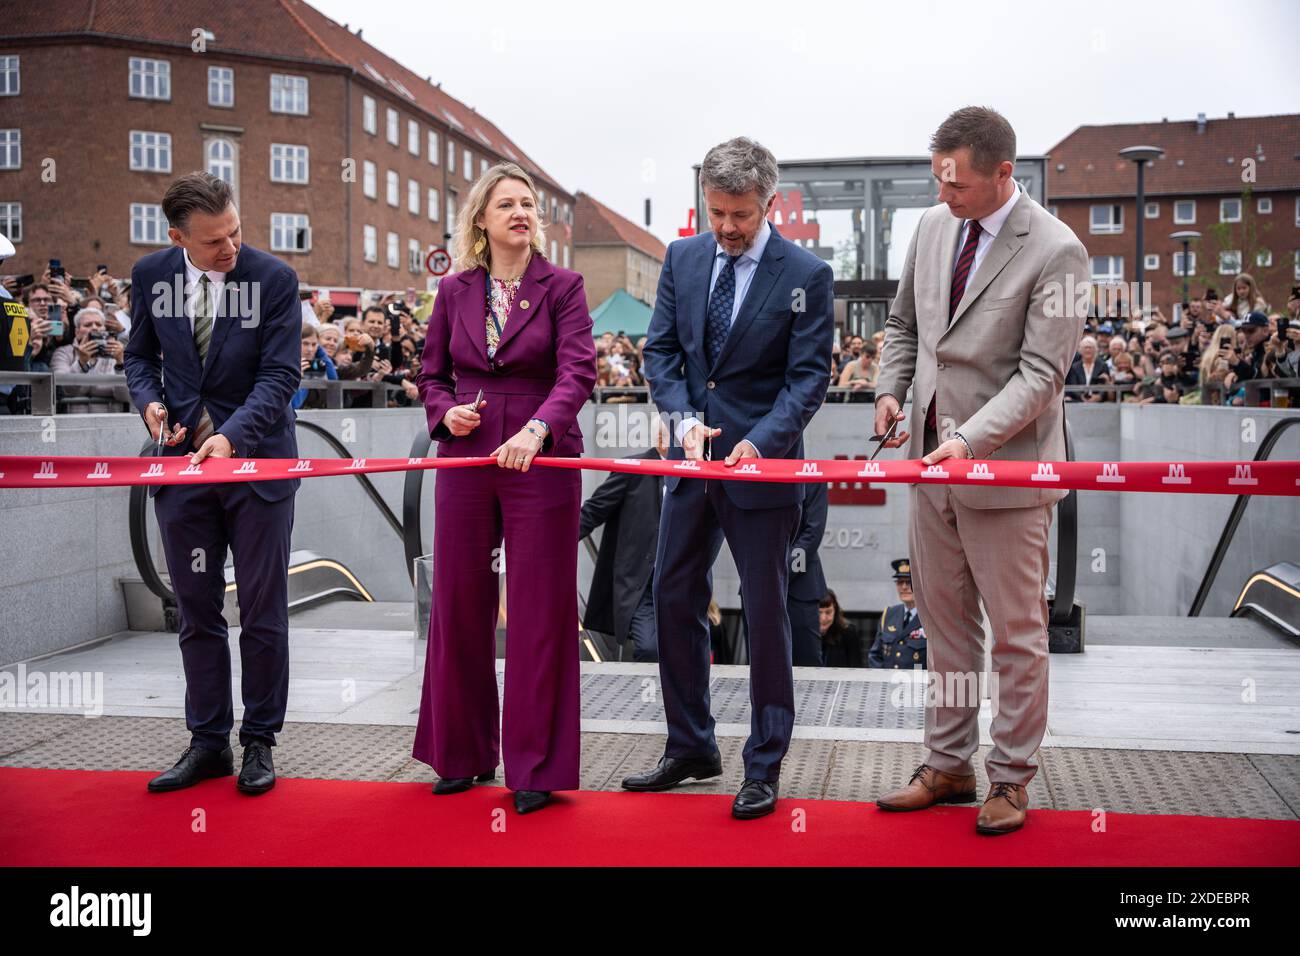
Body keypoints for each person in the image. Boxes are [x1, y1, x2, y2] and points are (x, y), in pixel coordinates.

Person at [872, 107, 1088, 835]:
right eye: (938, 178)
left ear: (1004, 174)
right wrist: (888, 390)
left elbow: (1040, 379)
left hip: (1007, 475)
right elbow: (904, 326)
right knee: (946, 632)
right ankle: (948, 763)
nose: (943, 195)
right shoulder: (934, 228)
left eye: (957, 183)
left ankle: (1012, 778)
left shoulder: (1058, 251)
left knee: (1018, 634)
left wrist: (967, 438)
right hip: (929, 471)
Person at [622, 136, 834, 820]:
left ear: (769, 204)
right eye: (715, 212)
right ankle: (690, 746)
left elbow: (807, 380)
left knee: (767, 611)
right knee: (673, 595)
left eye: (740, 214)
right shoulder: (682, 258)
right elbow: (661, 351)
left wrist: (759, 443)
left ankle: (764, 764)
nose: (727, 227)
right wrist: (680, 417)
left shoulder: (806, 274)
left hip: (760, 467)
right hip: (690, 461)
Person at [412, 162, 597, 815]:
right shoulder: (453, 290)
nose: (521, 212)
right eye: (507, 204)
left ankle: (536, 768)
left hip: (541, 461)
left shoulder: (564, 286)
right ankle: (459, 755)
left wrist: (539, 429)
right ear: (483, 221)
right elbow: (430, 375)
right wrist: (446, 413)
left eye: (528, 204)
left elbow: (577, 374)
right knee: (459, 599)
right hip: (465, 456)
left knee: (540, 609)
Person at [123, 171, 302, 796]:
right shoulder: (150, 276)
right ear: (177, 238)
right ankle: (207, 743)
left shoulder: (274, 279)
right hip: (181, 468)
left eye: (236, 232)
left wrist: (231, 438)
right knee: (195, 608)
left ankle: (260, 741)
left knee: (261, 609)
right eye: (214, 242)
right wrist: (148, 402)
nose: (231, 248)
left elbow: (280, 377)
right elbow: (140, 357)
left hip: (255, 468)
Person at [578, 421, 669, 662]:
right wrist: (551, 544)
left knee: (687, 648)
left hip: (680, 581)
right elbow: (593, 511)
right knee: (650, 648)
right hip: (641, 584)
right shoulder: (633, 469)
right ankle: (648, 699)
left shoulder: (696, 473)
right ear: (662, 439)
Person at [867, 559, 926, 669]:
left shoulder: (929, 617)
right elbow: (875, 655)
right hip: (888, 684)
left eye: (909, 582)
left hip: (915, 684)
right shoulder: (888, 614)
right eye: (900, 582)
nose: (904, 587)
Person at [818, 590, 864, 668]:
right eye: (819, 612)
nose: (823, 618)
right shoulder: (803, 634)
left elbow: (856, 668)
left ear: (835, 611)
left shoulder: (848, 632)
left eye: (828, 612)